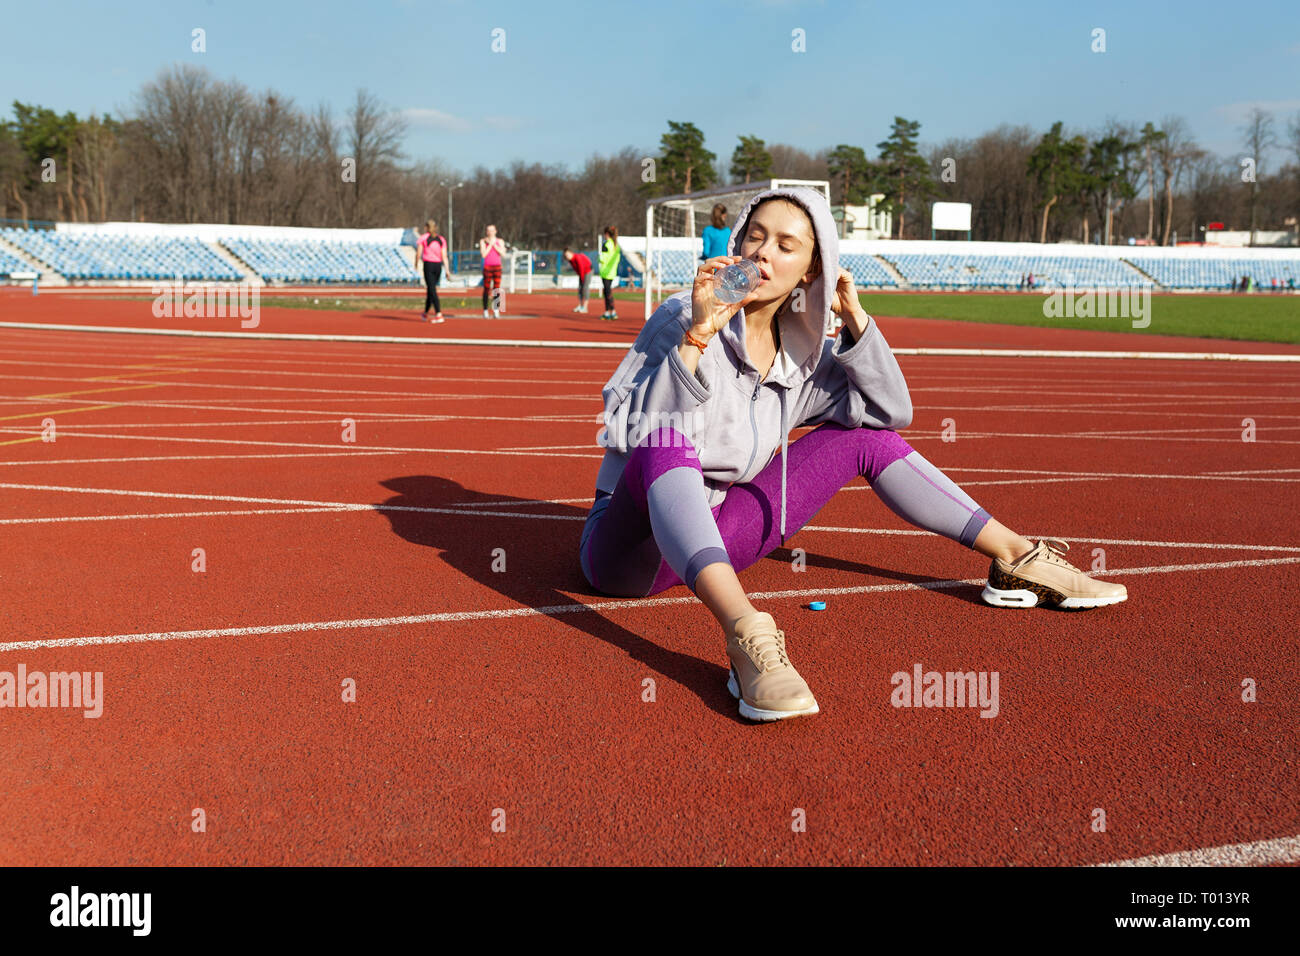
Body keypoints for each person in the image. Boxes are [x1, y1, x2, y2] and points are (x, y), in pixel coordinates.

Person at [577, 186, 1127, 723]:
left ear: (812, 271)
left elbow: (889, 415)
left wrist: (857, 323)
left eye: (786, 246)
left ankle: (1016, 558)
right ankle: (747, 633)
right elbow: (636, 433)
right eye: (756, 237)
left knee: (861, 438)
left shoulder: (805, 358)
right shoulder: (681, 317)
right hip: (630, 549)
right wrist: (697, 337)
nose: (762, 254)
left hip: (719, 531)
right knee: (668, 439)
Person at [416, 220, 447, 323]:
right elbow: (444, 256)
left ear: (426, 228)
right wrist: (447, 269)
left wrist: (416, 264)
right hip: (438, 266)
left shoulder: (423, 238)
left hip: (428, 265)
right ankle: (425, 313)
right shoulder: (441, 239)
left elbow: (419, 253)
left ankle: (438, 313)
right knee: (431, 290)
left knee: (432, 290)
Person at [480, 225, 506, 318]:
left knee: (497, 289)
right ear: (486, 232)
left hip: (497, 267)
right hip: (487, 267)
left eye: (492, 230)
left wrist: (494, 244)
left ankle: (496, 310)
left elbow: (503, 253)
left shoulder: (500, 241)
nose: (490, 232)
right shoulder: (483, 241)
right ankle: (485, 310)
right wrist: (489, 244)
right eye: (488, 230)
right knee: (486, 289)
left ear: (495, 231)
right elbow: (484, 254)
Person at [598, 226, 621, 321]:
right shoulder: (616, 245)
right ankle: (608, 311)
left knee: (607, 292)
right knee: (607, 291)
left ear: (606, 234)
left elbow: (602, 259)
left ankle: (612, 311)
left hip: (606, 272)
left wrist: (599, 258)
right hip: (612, 271)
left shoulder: (606, 245)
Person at [564, 247, 593, 313]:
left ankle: (585, 307)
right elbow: (577, 269)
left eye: (568, 255)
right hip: (581, 273)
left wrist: (582, 279)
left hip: (588, 271)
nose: (567, 257)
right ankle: (580, 305)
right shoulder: (571, 260)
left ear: (571, 253)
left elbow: (581, 268)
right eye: (566, 256)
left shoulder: (577, 257)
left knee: (585, 287)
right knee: (580, 288)